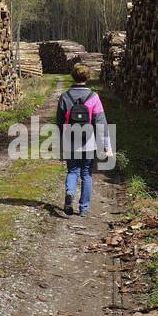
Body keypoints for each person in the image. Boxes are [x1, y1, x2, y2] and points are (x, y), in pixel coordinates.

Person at [56, 64, 111, 217]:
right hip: (89, 141)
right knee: (86, 173)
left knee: (72, 171)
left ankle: (69, 192)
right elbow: (101, 122)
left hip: (70, 141)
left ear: (73, 76)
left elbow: (59, 122)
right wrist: (106, 145)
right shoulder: (93, 97)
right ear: (87, 77)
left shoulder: (64, 96)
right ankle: (84, 208)